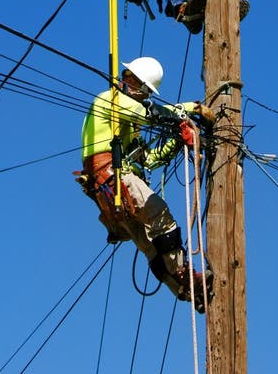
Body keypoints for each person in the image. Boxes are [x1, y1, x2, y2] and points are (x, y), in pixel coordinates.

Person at [78, 56, 215, 312]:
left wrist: (177, 140)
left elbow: (149, 160)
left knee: (151, 246)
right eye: (137, 85)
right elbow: (152, 114)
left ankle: (185, 289)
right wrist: (192, 109)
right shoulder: (112, 100)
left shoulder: (123, 127)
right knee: (160, 214)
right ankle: (183, 273)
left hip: (108, 186)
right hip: (111, 175)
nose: (139, 93)